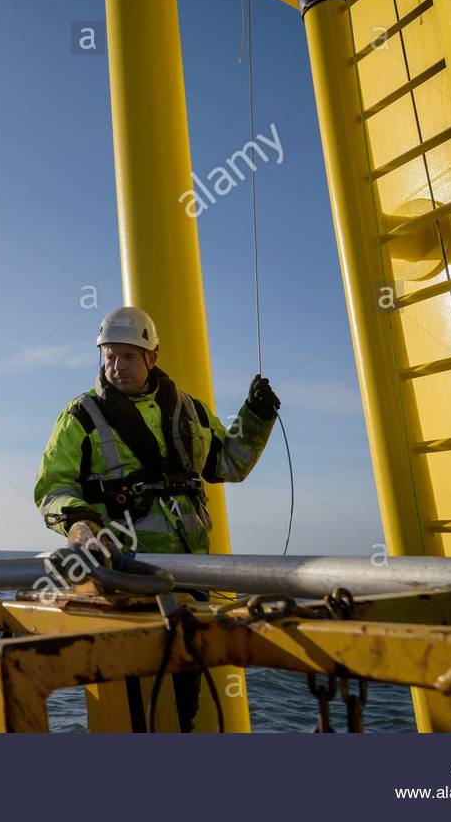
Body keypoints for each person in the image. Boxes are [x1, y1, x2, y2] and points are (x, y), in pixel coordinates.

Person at [32, 305, 279, 731]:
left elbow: (228, 465)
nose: (116, 366)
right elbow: (53, 487)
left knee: (185, 698)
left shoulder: (192, 412)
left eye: (127, 356)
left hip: (189, 580)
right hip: (123, 581)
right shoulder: (80, 416)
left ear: (152, 357)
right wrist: (78, 526)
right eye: (109, 356)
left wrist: (256, 417)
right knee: (129, 701)